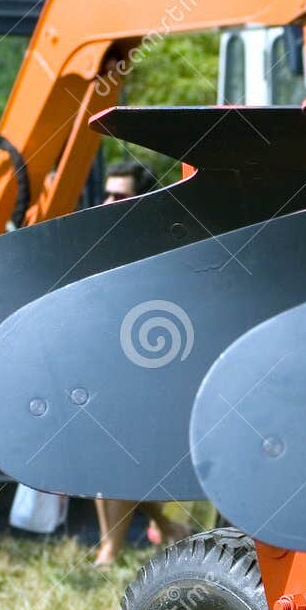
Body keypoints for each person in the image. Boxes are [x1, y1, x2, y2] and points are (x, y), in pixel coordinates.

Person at [95, 158, 194, 565]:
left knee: (119, 454)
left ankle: (110, 551)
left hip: (153, 365)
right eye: (106, 192)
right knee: (105, 452)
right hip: (108, 359)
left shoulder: (164, 243)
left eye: (119, 195)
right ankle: (170, 528)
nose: (107, 202)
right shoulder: (102, 240)